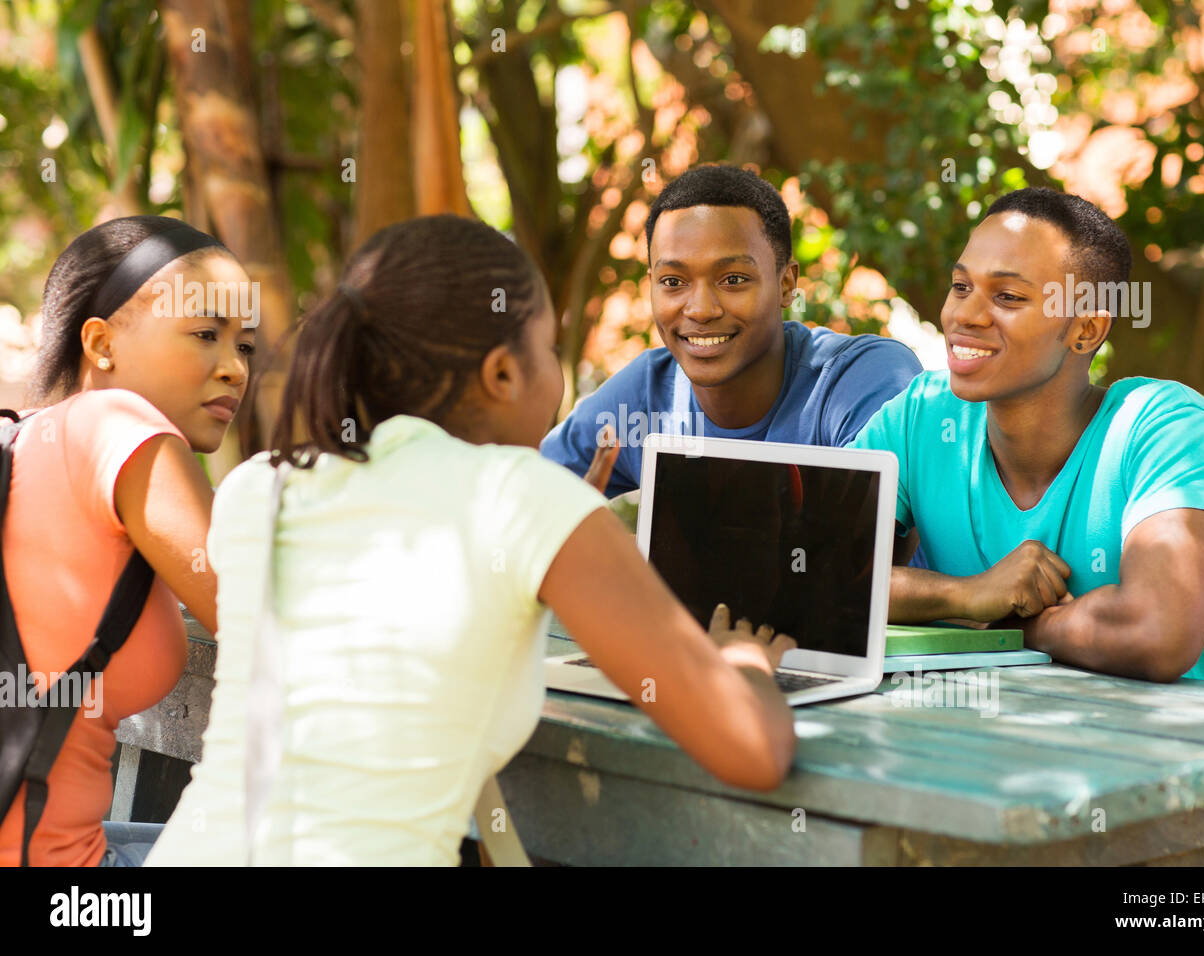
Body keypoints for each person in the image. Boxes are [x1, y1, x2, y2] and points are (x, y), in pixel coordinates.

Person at [145, 214, 797, 867]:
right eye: (548, 347)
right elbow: (752, 751)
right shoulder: (519, 498)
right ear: (502, 374)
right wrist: (740, 664)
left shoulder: (260, 488)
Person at [847, 186, 1204, 866]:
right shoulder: (920, 417)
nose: (964, 316)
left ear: (1085, 328)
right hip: (1011, 809)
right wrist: (966, 597)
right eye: (961, 286)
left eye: (1007, 297)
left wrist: (997, 628)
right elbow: (805, 574)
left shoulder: (1160, 424)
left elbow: (1156, 633)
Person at [0, 216, 254, 866]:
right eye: (205, 334)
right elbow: (269, 621)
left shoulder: (29, 436)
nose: (233, 369)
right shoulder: (118, 423)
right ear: (102, 343)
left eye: (244, 345)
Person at [541, 164, 922, 496]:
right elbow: (514, 507)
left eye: (733, 279)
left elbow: (856, 565)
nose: (701, 310)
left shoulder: (857, 380)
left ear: (787, 284)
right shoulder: (648, 394)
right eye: (673, 282)